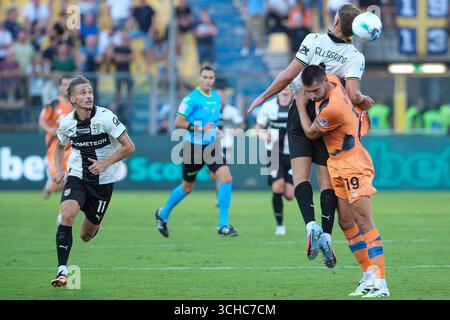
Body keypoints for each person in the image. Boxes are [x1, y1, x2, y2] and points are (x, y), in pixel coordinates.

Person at [247, 3, 374, 269]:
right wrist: (364, 100)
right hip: (329, 120)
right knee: (325, 181)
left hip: (300, 111)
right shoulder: (354, 55)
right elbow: (353, 95)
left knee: (300, 177)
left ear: (337, 19)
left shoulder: (312, 40)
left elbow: (287, 76)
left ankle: (311, 226)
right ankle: (327, 235)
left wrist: (262, 96)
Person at [298, 65, 389, 297]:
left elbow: (310, 133)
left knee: (363, 221)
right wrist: (360, 99)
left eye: (315, 91)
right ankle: (368, 275)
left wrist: (300, 105)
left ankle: (381, 282)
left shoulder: (334, 108)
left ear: (324, 83)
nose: (311, 96)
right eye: (307, 93)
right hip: (336, 164)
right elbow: (352, 89)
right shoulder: (331, 79)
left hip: (353, 164)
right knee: (346, 223)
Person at [50, 75, 135, 288]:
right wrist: (60, 169)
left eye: (90, 92)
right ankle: (62, 272)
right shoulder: (67, 123)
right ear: (72, 99)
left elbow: (129, 147)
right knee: (67, 214)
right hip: (77, 174)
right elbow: (60, 147)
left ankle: (95, 220)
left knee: (86, 236)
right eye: (83, 93)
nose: (88, 96)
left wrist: (104, 164)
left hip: (103, 181)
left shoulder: (106, 117)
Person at [155, 65, 237, 237]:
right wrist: (199, 128)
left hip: (211, 146)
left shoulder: (215, 97)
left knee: (226, 178)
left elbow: (211, 124)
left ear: (214, 80)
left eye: (211, 78)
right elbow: (178, 122)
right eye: (205, 77)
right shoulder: (191, 98)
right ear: (200, 79)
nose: (208, 80)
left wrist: (216, 131)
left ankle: (223, 225)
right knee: (187, 187)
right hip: (192, 148)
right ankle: (162, 213)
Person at [255, 87, 294, 235]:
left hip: (293, 155)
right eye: (282, 86)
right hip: (274, 153)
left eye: (289, 86)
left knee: (290, 195)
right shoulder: (269, 106)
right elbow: (258, 127)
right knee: (277, 187)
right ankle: (280, 226)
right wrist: (264, 135)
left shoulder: (298, 104)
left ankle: (278, 179)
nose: (285, 89)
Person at [39, 75, 73, 214]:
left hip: (71, 148)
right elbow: (42, 121)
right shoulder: (52, 104)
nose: (66, 87)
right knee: (57, 177)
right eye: (64, 84)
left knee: (69, 179)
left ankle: (62, 215)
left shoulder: (76, 104)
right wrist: (50, 130)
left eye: (69, 85)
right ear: (60, 87)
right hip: (54, 148)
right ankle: (49, 187)